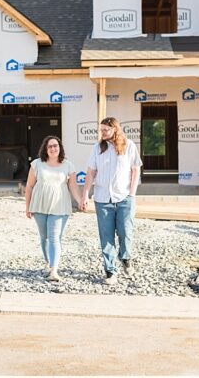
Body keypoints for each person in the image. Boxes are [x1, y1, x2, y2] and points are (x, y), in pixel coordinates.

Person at [81, 116, 142, 285]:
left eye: (106, 129)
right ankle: (110, 271)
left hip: (124, 197)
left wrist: (132, 193)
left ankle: (125, 258)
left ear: (115, 129)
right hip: (102, 199)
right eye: (101, 130)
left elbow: (135, 170)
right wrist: (85, 195)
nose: (103, 132)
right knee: (106, 236)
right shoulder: (97, 148)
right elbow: (91, 173)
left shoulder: (129, 146)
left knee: (125, 232)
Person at [24, 136, 84, 282]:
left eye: (55, 146)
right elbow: (29, 186)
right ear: (45, 149)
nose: (53, 148)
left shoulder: (68, 165)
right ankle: (48, 261)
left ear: (60, 148)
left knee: (54, 237)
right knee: (44, 237)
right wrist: (28, 207)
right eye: (50, 146)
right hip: (39, 205)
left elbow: (73, 187)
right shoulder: (37, 164)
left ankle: (54, 270)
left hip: (60, 206)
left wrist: (80, 200)